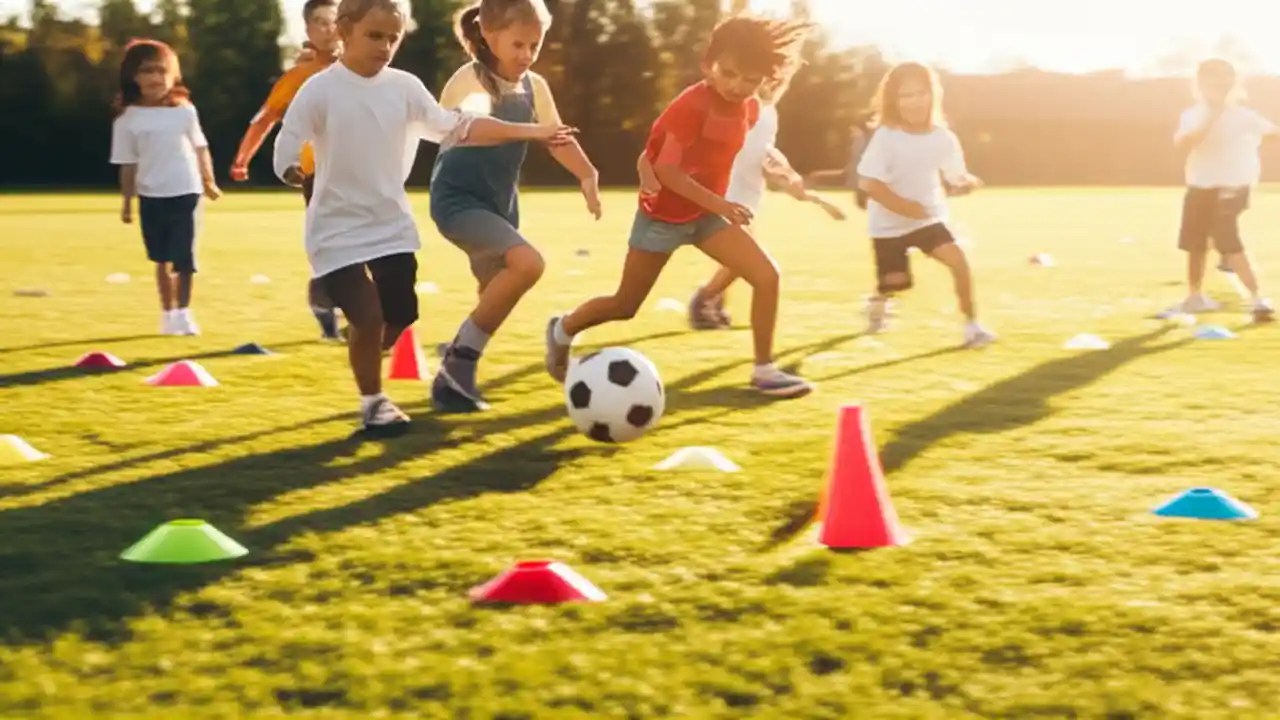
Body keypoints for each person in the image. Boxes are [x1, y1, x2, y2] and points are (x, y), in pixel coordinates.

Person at [273, 0, 575, 436]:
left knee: (399, 315)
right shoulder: (321, 89)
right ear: (344, 29)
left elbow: (458, 127)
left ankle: (362, 347)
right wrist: (288, 167)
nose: (385, 46)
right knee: (368, 315)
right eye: (375, 36)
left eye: (393, 38)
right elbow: (292, 134)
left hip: (390, 226)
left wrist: (532, 130)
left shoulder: (405, 88)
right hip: (335, 229)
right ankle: (373, 402)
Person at [544, 15, 815, 399]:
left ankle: (765, 371)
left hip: (704, 217)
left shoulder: (749, 109)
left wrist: (776, 173)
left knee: (767, 276)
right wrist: (720, 202)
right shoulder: (690, 106)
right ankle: (562, 328)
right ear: (708, 65)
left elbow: (684, 154)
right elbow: (668, 170)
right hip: (664, 218)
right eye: (730, 73)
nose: (739, 86)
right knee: (625, 304)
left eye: (750, 79)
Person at [429, 0, 601, 412]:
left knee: (494, 292)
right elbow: (471, 131)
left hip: (501, 202)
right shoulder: (470, 81)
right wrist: (532, 130)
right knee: (528, 264)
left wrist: (587, 174)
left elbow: (555, 135)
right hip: (457, 199)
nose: (526, 55)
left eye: (535, 45)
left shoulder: (534, 86)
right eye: (518, 44)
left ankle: (457, 356)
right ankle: (456, 367)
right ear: (489, 35)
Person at [636, 69, 846, 331]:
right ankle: (704, 299)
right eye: (770, 79)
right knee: (746, 260)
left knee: (739, 259)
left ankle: (712, 305)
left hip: (747, 196)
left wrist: (787, 174)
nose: (774, 85)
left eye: (780, 82)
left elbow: (765, 151)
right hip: (727, 194)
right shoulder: (739, 108)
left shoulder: (768, 113)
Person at [230, 0, 347, 341]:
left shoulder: (362, 67)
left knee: (367, 245)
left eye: (335, 21)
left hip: (362, 172)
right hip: (318, 177)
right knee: (332, 247)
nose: (329, 29)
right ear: (308, 30)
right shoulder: (298, 76)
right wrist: (243, 157)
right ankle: (328, 313)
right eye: (320, 22)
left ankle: (357, 314)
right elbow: (265, 118)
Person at [856, 62, 995, 347]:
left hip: (928, 220)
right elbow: (869, 184)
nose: (915, 102)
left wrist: (965, 182)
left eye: (921, 93)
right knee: (896, 284)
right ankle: (879, 300)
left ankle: (972, 326)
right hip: (888, 226)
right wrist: (904, 207)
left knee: (959, 260)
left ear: (933, 95)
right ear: (894, 101)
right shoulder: (887, 136)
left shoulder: (943, 138)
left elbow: (955, 175)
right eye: (906, 96)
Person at [110, 39, 221, 337]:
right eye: (147, 71)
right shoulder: (127, 120)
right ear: (134, 76)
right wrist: (126, 203)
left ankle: (184, 313)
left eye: (162, 71)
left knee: (184, 257)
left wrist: (208, 181)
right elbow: (127, 164)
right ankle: (168, 312)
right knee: (161, 258)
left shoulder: (184, 111)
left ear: (173, 75)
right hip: (151, 196)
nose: (156, 78)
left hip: (186, 191)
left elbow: (200, 147)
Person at [1167, 58, 1275, 322]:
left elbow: (1273, 133)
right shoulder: (1192, 115)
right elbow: (1183, 144)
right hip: (1200, 185)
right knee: (1196, 243)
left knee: (1226, 237)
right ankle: (1195, 297)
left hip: (1232, 187)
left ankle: (1258, 300)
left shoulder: (1245, 116)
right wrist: (1211, 118)